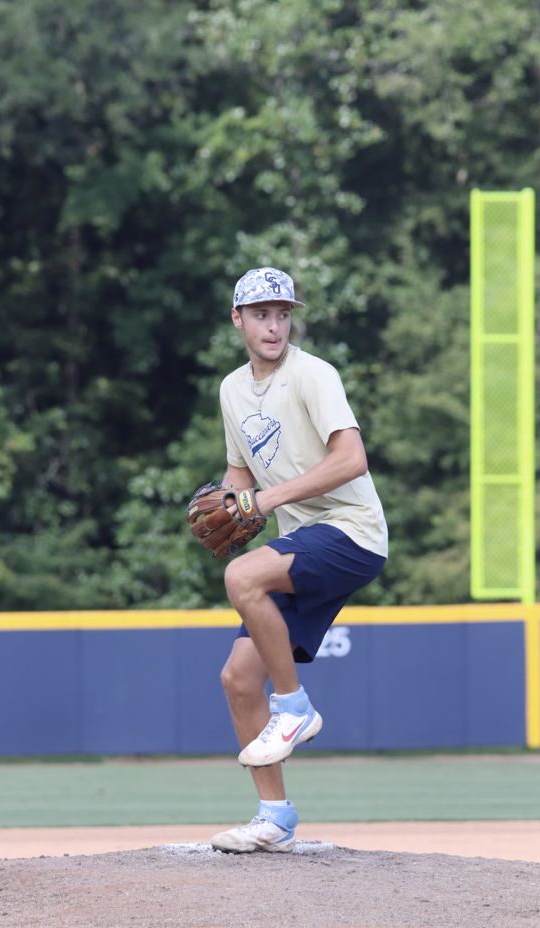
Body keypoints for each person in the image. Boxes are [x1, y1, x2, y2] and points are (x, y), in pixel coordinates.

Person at [209, 266, 388, 854]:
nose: (274, 325)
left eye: (283, 313)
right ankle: (274, 816)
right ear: (238, 320)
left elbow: (352, 459)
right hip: (303, 542)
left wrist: (267, 500)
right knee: (237, 680)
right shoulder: (233, 390)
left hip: (351, 533)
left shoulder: (313, 374)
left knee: (242, 575)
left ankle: (293, 708)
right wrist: (232, 506)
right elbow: (240, 474)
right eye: (261, 314)